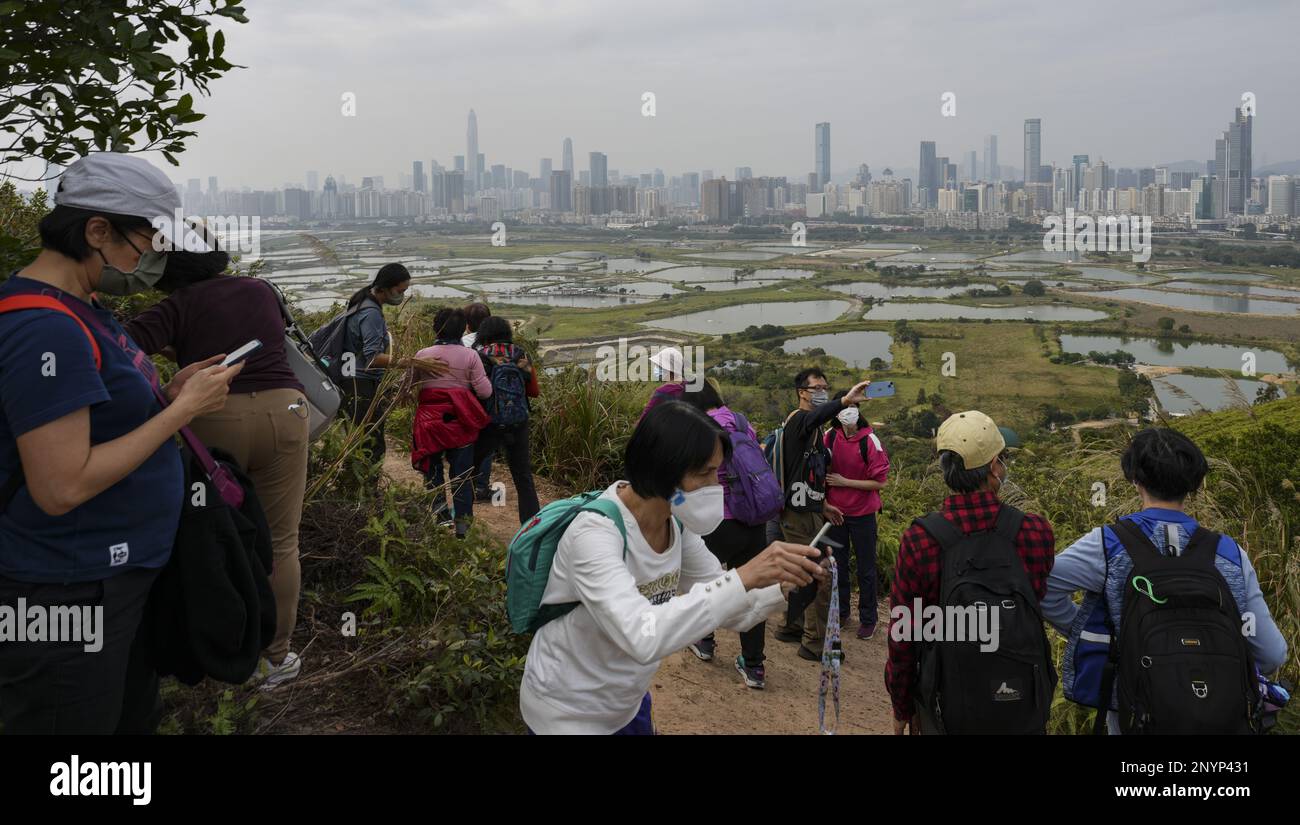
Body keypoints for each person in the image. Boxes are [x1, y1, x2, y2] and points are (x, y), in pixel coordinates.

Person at [0, 153, 240, 734]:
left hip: (114, 577)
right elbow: (61, 485)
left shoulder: (84, 309)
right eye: (147, 239)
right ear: (96, 231)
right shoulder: (44, 327)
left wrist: (168, 393)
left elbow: (101, 416)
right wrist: (181, 412)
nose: (153, 256)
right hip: (66, 592)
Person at [519, 401, 828, 734]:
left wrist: (782, 584)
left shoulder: (677, 527)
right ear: (664, 471)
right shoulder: (595, 534)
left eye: (718, 472)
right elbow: (641, 635)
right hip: (568, 713)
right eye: (705, 474)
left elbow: (734, 610)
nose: (716, 486)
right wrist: (742, 577)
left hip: (626, 704)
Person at [124, 227, 309, 690]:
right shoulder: (260, 290)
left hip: (215, 416)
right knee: (282, 542)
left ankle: (212, 651)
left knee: (208, 537)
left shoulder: (176, 305)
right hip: (287, 410)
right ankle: (274, 660)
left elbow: (122, 349)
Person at [1043, 428, 1287, 734]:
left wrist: (1105, 640)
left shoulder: (1107, 545)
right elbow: (1272, 653)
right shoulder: (1230, 554)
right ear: (1194, 483)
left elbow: (1044, 589)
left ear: (1135, 480)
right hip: (1220, 714)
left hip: (1134, 715)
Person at [885, 410, 1056, 735]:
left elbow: (904, 633)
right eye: (1002, 460)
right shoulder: (1034, 531)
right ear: (995, 467)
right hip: (1021, 704)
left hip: (949, 707)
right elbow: (1036, 599)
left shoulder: (921, 539)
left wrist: (902, 707)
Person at [773, 368, 874, 663]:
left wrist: (823, 505)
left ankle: (791, 626)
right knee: (820, 575)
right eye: (816, 388)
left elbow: (810, 474)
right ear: (802, 392)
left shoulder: (815, 431)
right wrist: (844, 401)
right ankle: (815, 642)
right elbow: (816, 416)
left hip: (809, 511)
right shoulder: (801, 421)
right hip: (796, 513)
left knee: (799, 570)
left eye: (825, 388)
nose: (821, 392)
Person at [680, 379, 772, 688]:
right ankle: (754, 666)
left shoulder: (700, 428)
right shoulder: (742, 422)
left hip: (720, 519)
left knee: (705, 582)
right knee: (752, 588)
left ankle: (705, 641)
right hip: (755, 519)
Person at [408, 307, 491, 538]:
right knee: (462, 476)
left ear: (436, 328)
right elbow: (484, 392)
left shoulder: (423, 354)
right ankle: (463, 528)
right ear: (463, 329)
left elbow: (408, 387)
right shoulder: (471, 356)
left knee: (433, 473)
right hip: (460, 424)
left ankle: (441, 520)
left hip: (429, 424)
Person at [823, 392, 889, 640]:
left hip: (862, 514)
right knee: (837, 565)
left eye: (855, 406)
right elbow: (823, 472)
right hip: (835, 512)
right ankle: (841, 613)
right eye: (846, 406)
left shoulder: (869, 440)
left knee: (866, 568)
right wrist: (827, 502)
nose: (851, 411)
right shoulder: (829, 437)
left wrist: (844, 481)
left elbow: (879, 482)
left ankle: (868, 619)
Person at [471, 315, 541, 524]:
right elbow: (534, 392)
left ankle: (463, 525)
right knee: (523, 478)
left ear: (484, 334)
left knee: (467, 472)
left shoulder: (479, 356)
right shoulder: (521, 354)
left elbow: (475, 393)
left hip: (488, 424)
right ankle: (531, 530)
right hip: (517, 423)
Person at [340, 263, 410, 466]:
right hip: (360, 383)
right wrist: (408, 362)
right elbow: (372, 358)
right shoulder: (370, 312)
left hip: (350, 380)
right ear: (387, 286)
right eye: (400, 291)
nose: (401, 296)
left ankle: (357, 490)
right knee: (371, 444)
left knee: (358, 440)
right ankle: (366, 493)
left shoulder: (362, 301)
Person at [462, 302, 495, 501]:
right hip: (487, 399)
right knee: (486, 445)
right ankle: (481, 487)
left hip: (464, 399)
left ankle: (463, 485)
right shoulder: (494, 345)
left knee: (465, 442)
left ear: (467, 324)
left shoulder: (460, 342)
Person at [637, 346, 687, 421]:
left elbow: (645, 416)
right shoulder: (690, 386)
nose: (656, 368)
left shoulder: (661, 392)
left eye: (658, 366)